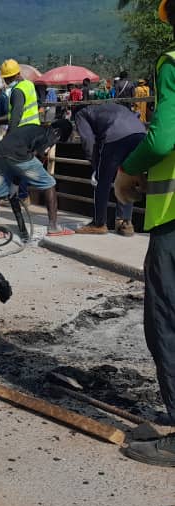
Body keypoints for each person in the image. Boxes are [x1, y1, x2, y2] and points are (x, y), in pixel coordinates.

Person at [116, 0, 175, 466]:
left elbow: (161, 140)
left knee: (167, 320)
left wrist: (126, 170)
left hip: (173, 217)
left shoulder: (172, 64)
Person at [0, 119, 74, 237]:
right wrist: (17, 182)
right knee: (49, 183)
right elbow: (35, 157)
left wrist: (16, 182)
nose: (55, 141)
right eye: (59, 138)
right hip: (18, 155)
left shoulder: (33, 128)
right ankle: (53, 227)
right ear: (57, 131)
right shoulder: (48, 134)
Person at [72, 103, 145, 236]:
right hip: (139, 133)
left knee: (102, 182)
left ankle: (98, 224)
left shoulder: (80, 113)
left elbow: (88, 140)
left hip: (116, 136)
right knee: (127, 178)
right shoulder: (108, 107)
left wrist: (95, 165)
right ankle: (125, 223)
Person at [0, 59, 40, 131]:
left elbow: (16, 116)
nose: (7, 81)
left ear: (18, 74)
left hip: (22, 130)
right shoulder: (29, 84)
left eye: (10, 78)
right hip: (34, 127)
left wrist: (10, 135)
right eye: (6, 78)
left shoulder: (17, 91)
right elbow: (38, 104)